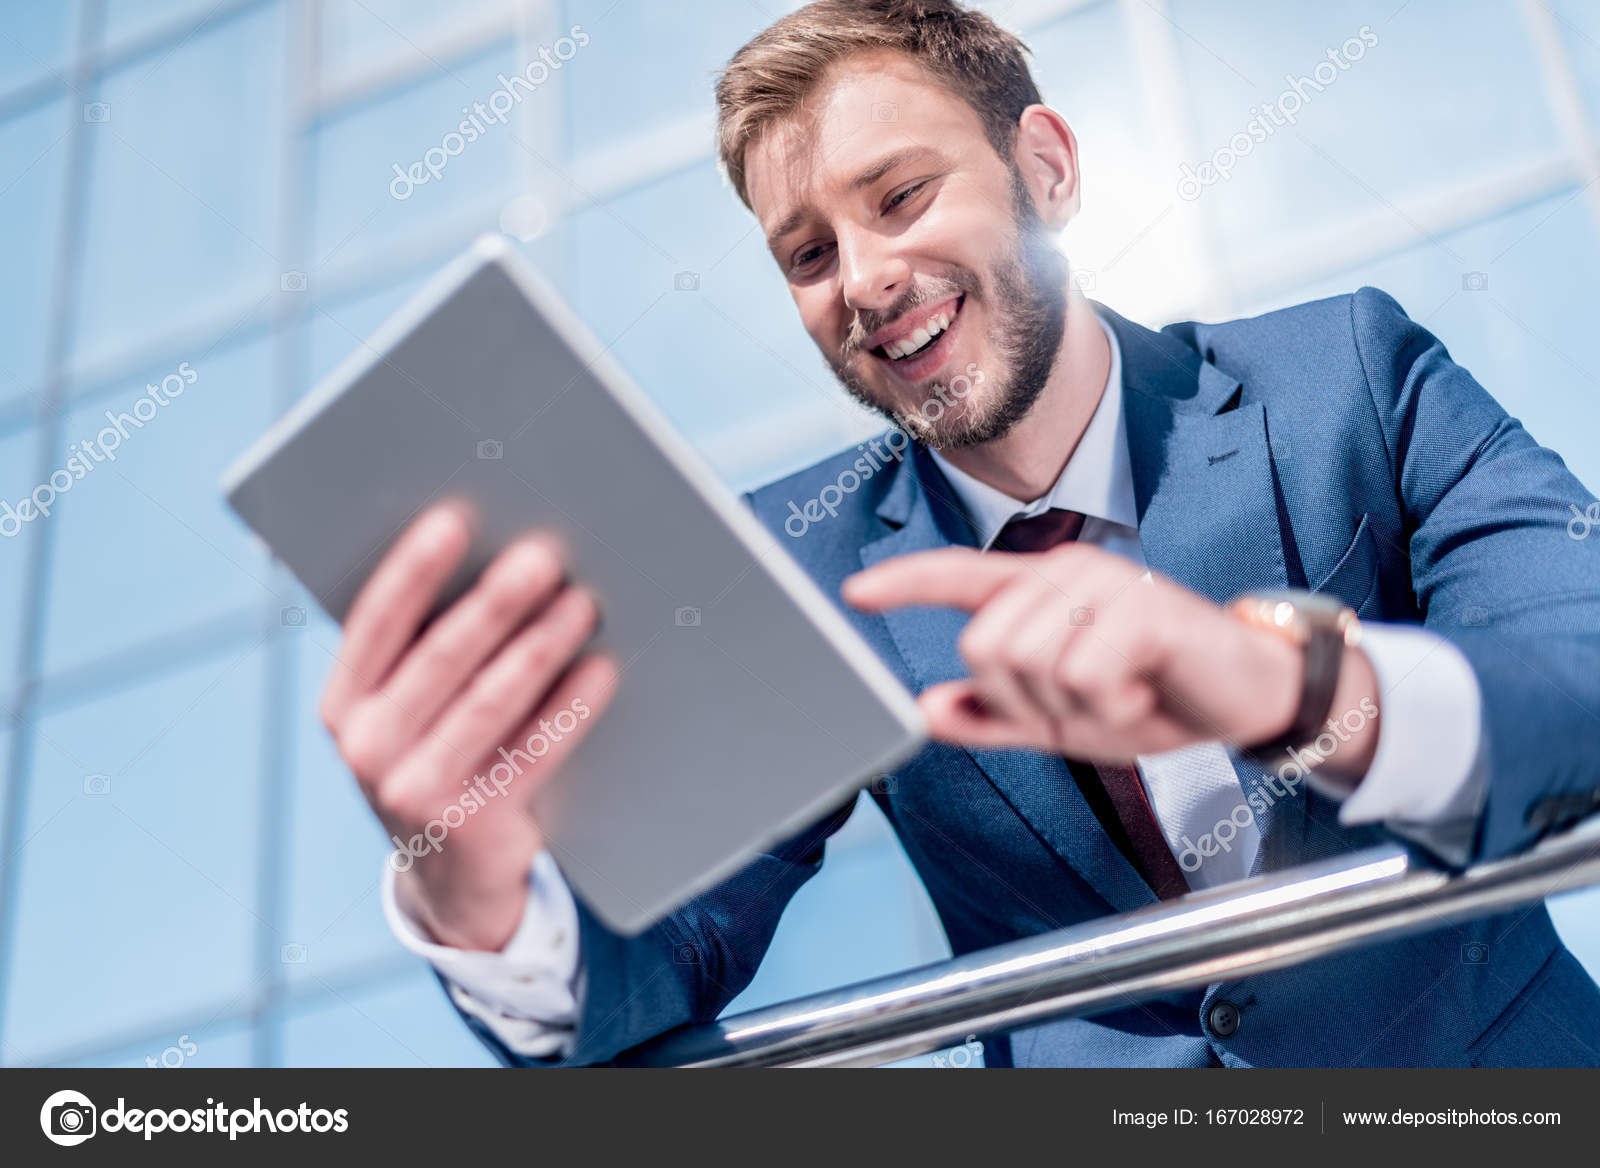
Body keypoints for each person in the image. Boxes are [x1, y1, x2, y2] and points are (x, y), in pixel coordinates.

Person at [318, 0, 1600, 1067]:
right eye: (808, 252)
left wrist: (1292, 682)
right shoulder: (803, 568)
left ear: (1044, 167)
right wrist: (472, 888)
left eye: (901, 194)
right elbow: (662, 958)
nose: (865, 279)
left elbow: (1577, 670)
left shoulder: (1348, 378)